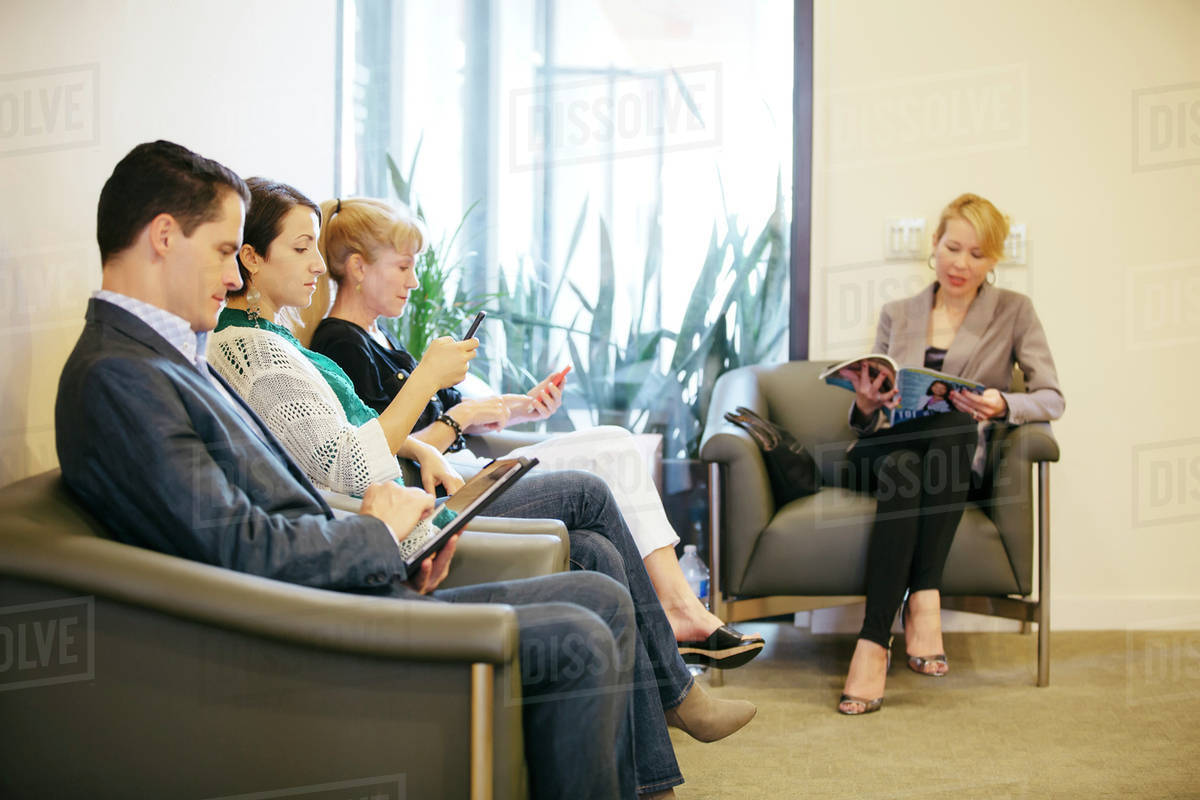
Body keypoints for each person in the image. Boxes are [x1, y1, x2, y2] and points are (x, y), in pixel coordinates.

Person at [57, 140, 641, 799]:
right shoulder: (119, 377)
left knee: (601, 598)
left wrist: (392, 544)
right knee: (585, 627)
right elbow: (237, 546)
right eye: (223, 251)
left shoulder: (165, 357)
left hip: (337, 591)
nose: (232, 275)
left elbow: (264, 510)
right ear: (164, 236)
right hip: (308, 631)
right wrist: (377, 535)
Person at [207, 178, 757, 797]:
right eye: (301, 248)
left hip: (418, 490)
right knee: (590, 492)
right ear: (251, 258)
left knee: (597, 552)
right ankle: (677, 685)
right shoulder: (249, 350)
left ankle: (653, 784)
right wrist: (429, 390)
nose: (317, 265)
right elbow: (347, 466)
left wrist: (426, 441)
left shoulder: (279, 342)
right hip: (404, 517)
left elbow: (352, 433)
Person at [303, 196, 764, 669]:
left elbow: (435, 420)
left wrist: (519, 407)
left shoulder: (381, 337)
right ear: (358, 268)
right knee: (614, 447)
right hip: (448, 488)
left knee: (614, 448)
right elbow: (388, 449)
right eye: (403, 266)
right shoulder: (340, 344)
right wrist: (460, 416)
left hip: (467, 467)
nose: (414, 281)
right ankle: (679, 609)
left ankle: (676, 615)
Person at [834, 192, 1064, 715]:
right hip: (882, 446)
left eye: (977, 254)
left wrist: (1002, 402)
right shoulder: (898, 314)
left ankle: (872, 644)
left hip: (952, 460)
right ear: (934, 245)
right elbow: (874, 411)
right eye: (952, 248)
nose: (961, 263)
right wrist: (866, 402)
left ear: (994, 259)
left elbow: (1052, 397)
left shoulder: (1014, 312)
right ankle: (925, 599)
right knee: (909, 451)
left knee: (937, 441)